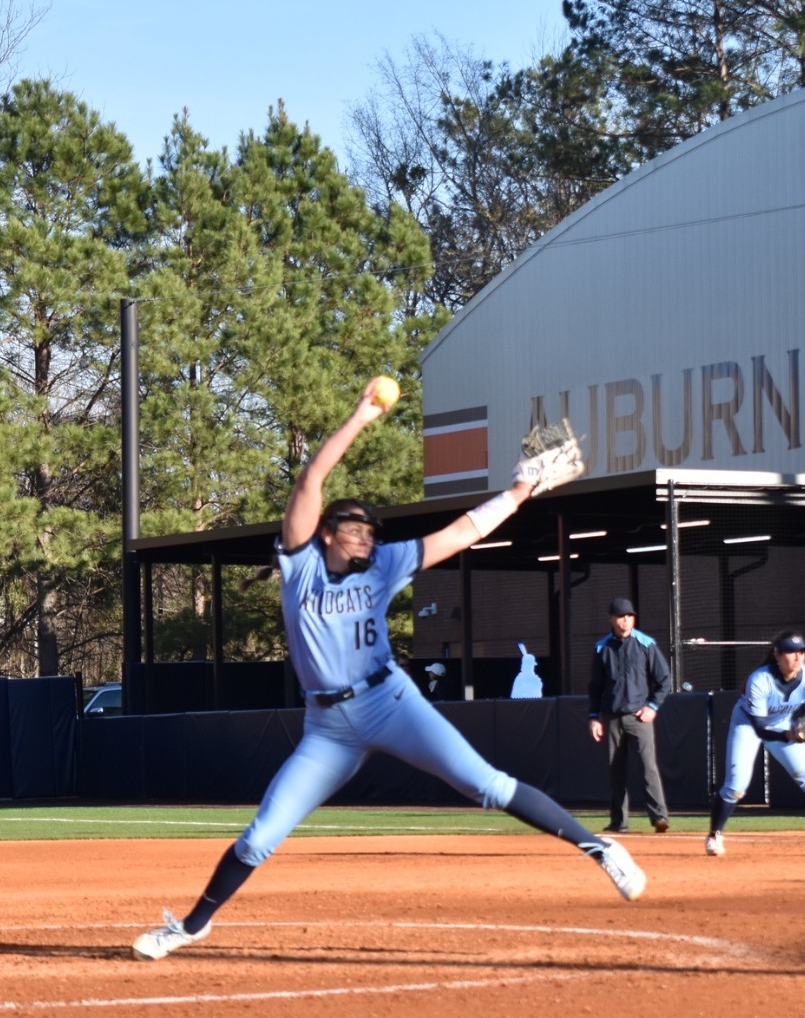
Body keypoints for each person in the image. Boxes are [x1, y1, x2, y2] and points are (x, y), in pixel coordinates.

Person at [130, 381, 646, 960]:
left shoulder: (385, 563)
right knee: (261, 835)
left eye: (368, 530)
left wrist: (519, 492)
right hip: (327, 728)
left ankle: (601, 849)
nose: (364, 537)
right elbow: (310, 480)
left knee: (486, 784)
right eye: (352, 528)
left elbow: (461, 532)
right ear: (325, 534)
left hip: (390, 704)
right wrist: (359, 416)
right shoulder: (300, 568)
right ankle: (192, 925)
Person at [706, 631, 805, 856]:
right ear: (777, 655)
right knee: (736, 785)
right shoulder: (760, 680)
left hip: (783, 722)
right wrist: (789, 735)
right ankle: (714, 835)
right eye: (791, 652)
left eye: (802, 652)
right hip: (748, 724)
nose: (798, 657)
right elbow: (760, 728)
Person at [587, 597, 673, 834]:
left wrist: (652, 706)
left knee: (648, 767)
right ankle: (619, 822)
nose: (625, 620)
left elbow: (664, 679)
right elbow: (595, 686)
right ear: (611, 619)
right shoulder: (602, 647)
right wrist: (594, 717)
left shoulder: (646, 644)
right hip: (611, 717)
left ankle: (659, 817)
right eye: (621, 616)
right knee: (616, 771)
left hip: (638, 717)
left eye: (629, 616)